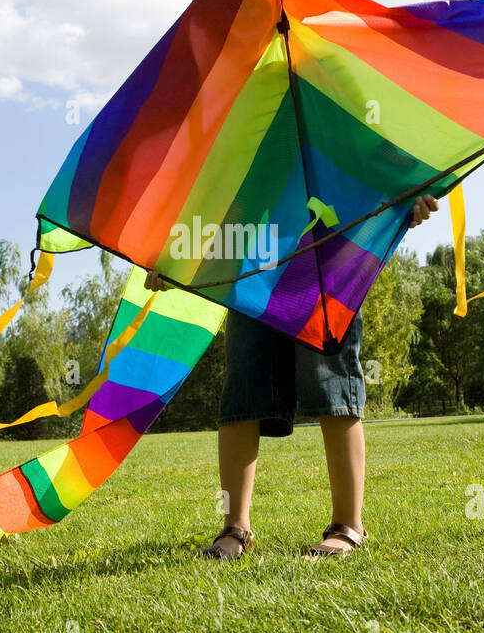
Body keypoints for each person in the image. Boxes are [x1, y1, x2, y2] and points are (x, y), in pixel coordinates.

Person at [146, 194, 439, 559]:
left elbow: (381, 151)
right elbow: (215, 180)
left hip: (330, 246)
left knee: (331, 377)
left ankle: (349, 525)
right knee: (244, 385)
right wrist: (178, 253)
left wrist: (407, 196)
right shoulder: (242, 139)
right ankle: (235, 528)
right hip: (253, 257)